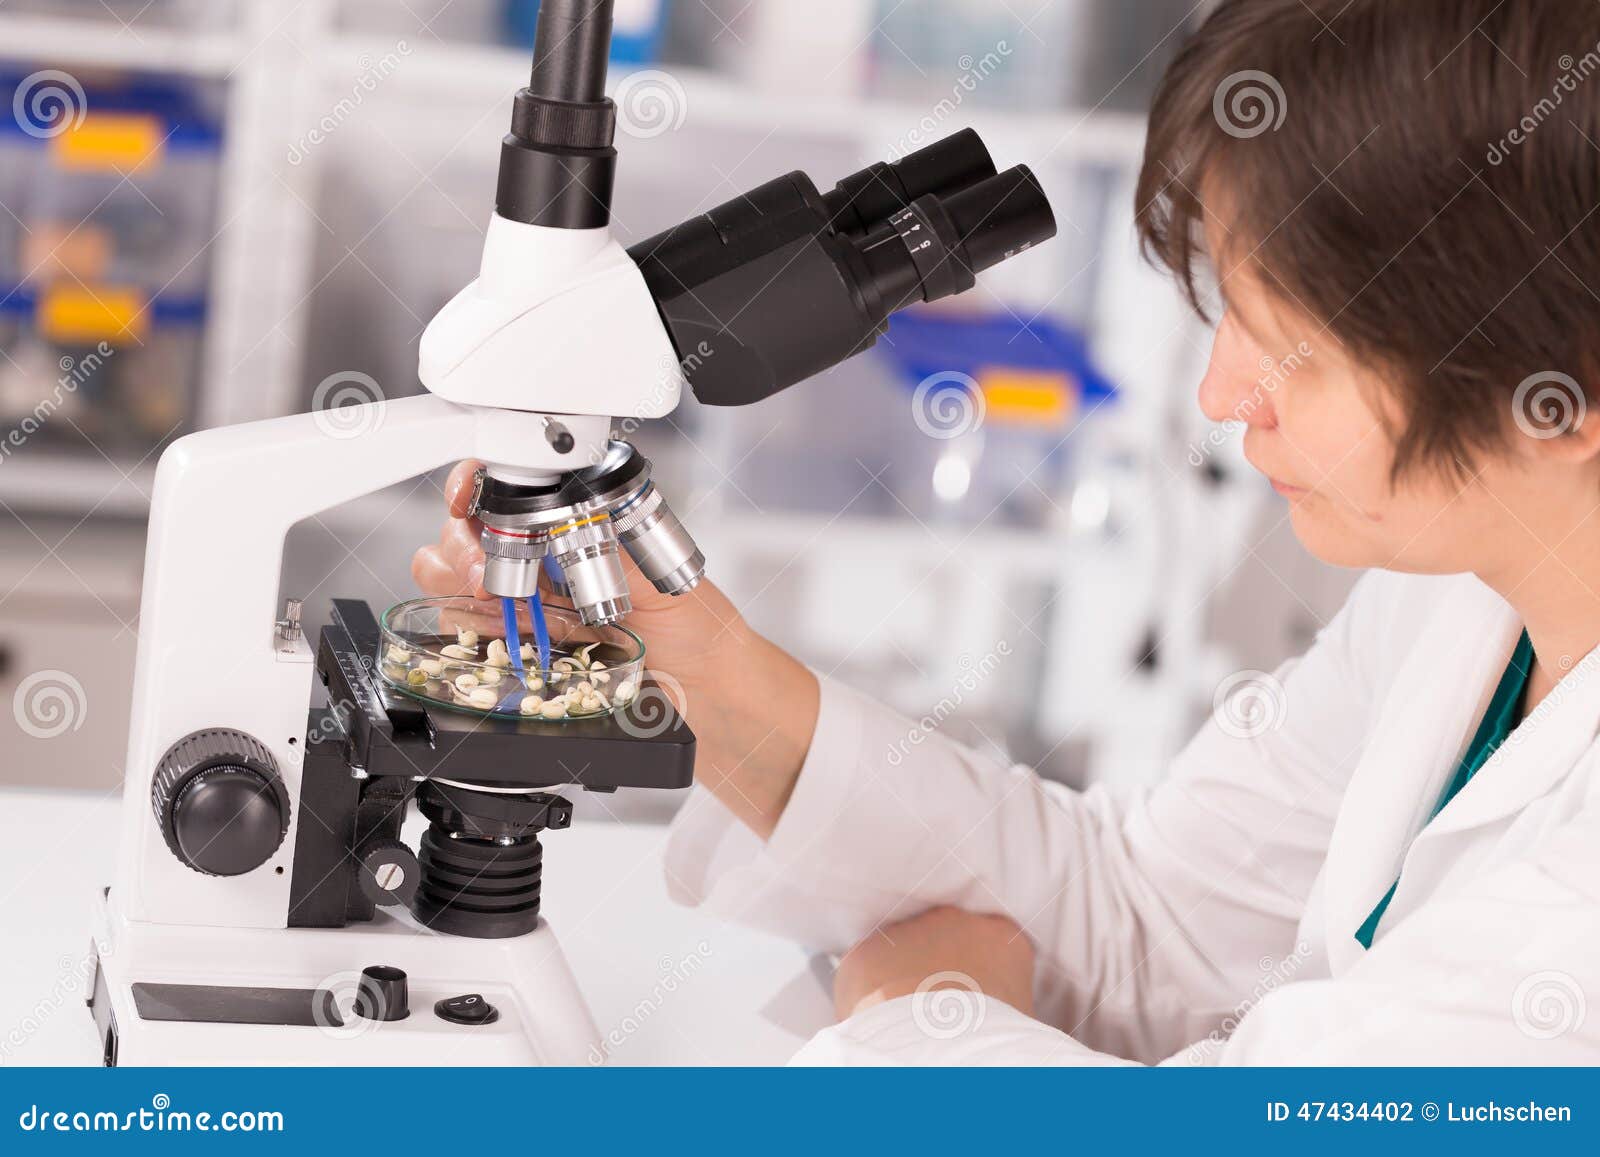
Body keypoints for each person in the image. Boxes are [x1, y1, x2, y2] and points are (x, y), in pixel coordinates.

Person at [413, 0, 1600, 1064]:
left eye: (1296, 343)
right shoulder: (1467, 595)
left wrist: (916, 1016)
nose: (1224, 397)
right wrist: (702, 671)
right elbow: (1147, 926)